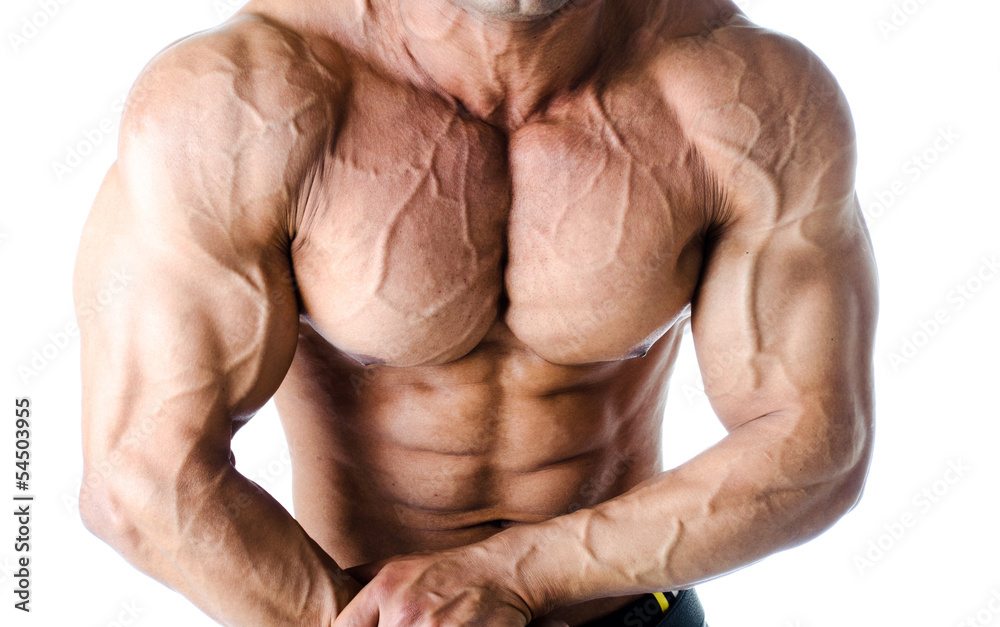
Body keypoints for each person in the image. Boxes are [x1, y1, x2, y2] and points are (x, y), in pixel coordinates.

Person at [73, 0, 878, 625]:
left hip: (625, 612)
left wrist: (510, 575)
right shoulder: (243, 102)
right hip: (319, 609)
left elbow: (815, 441)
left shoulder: (745, 100)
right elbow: (143, 474)